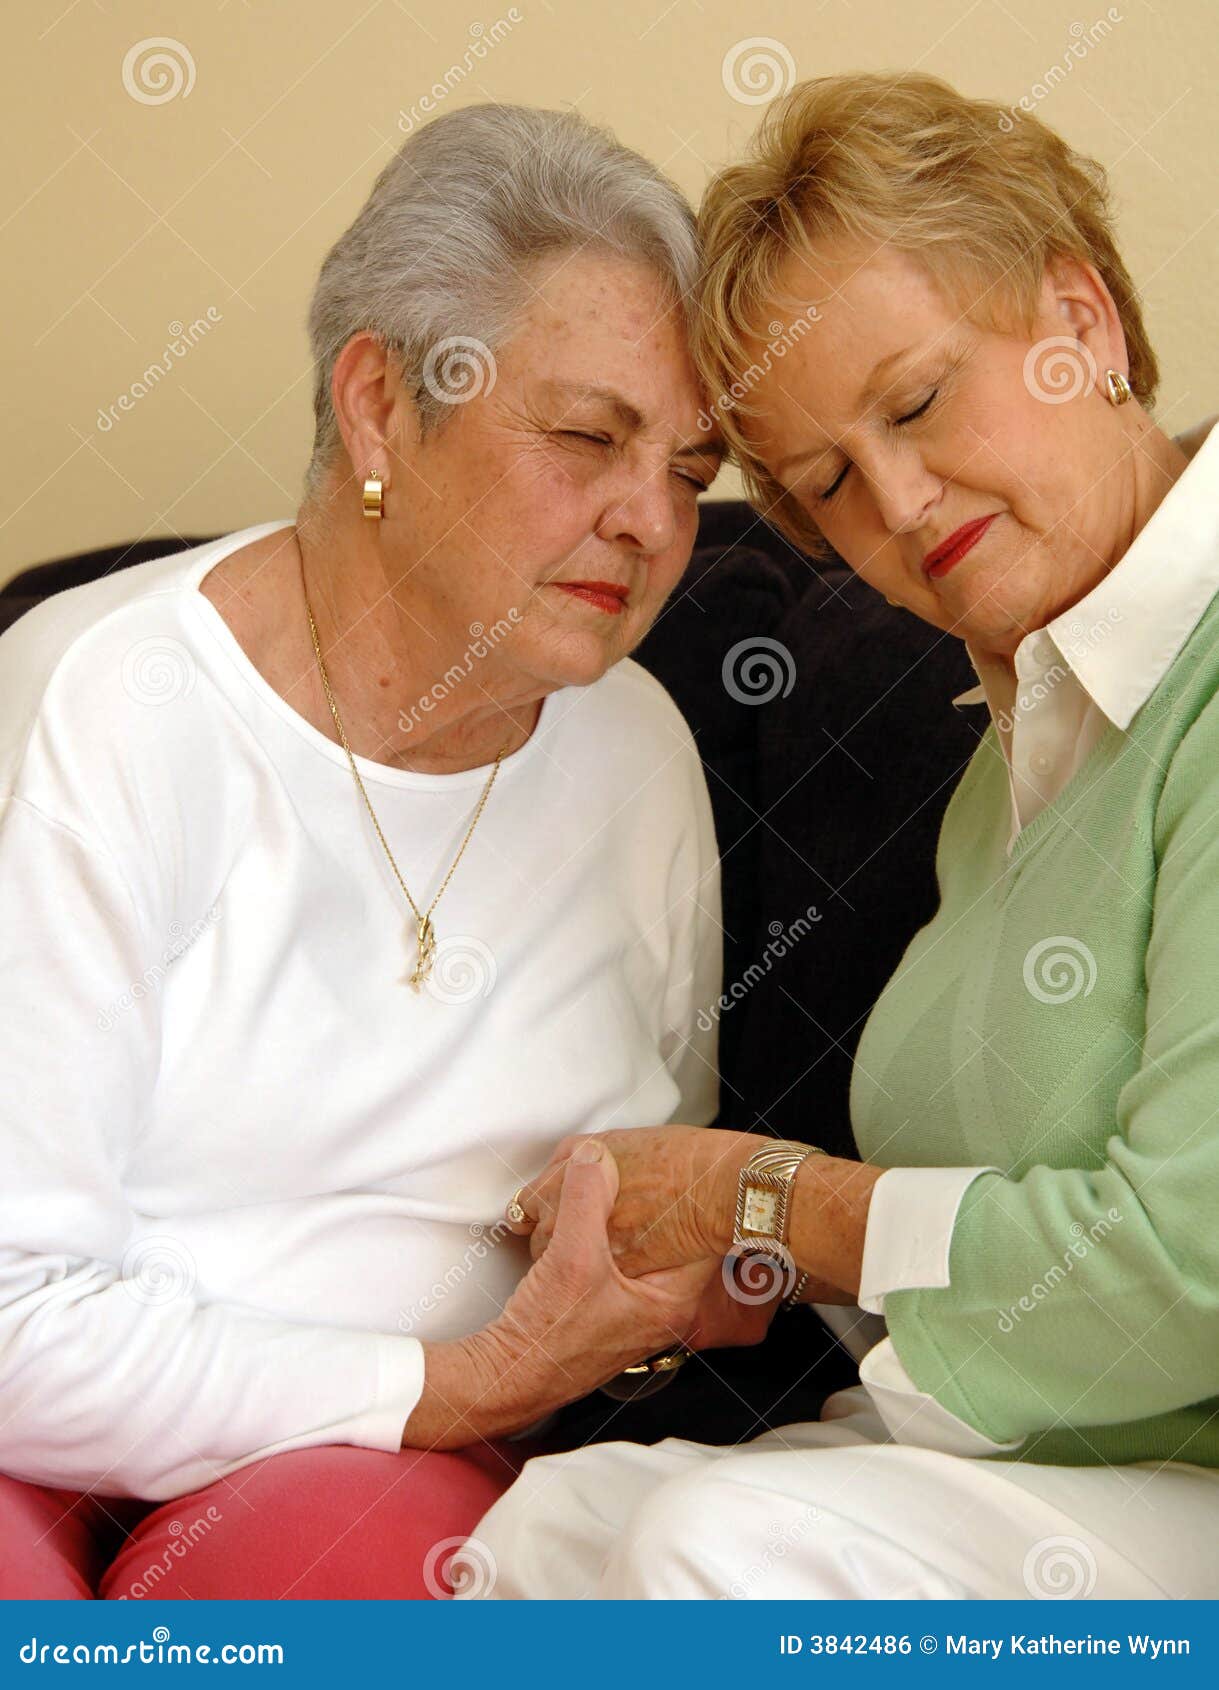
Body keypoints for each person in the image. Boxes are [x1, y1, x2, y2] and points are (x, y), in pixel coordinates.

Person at [0, 102, 773, 1602]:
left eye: (689, 467)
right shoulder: (101, 702)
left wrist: (684, 1276)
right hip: (33, 1430)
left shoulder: (642, 756)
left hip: (369, 1475)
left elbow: (637, 1213)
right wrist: (462, 1376)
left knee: (341, 1597)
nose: (652, 521)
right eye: (585, 438)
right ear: (376, 405)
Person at [465, 72, 1219, 1601]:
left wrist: (773, 1197)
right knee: (546, 1527)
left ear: (1082, 318)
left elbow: (1184, 1277)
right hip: (1061, 1469)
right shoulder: (1016, 753)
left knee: (704, 1547)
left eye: (921, 401)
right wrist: (738, 1253)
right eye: (824, 484)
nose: (898, 502)